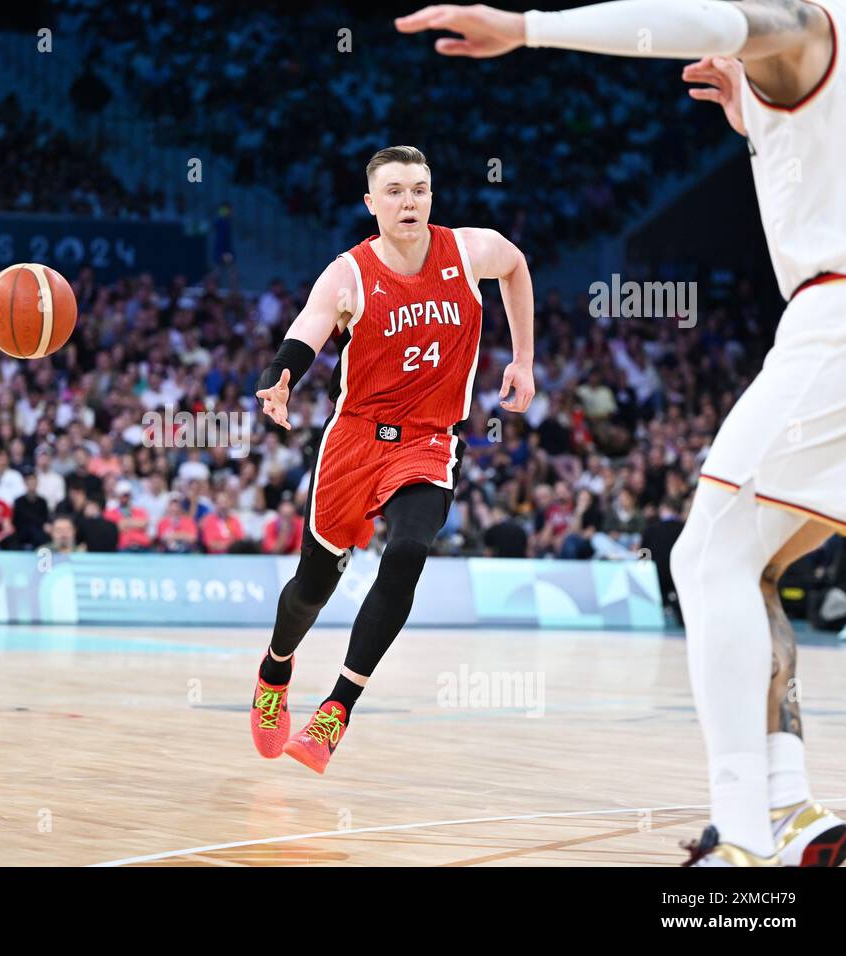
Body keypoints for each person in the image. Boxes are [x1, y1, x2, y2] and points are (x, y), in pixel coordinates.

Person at [398, 0, 846, 867]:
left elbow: (709, 26)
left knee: (704, 558)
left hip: (836, 318)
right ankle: (791, 809)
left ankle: (742, 846)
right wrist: (755, 110)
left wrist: (527, 27)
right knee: (750, 564)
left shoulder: (808, 22)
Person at [251, 146, 535, 774]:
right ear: (371, 203)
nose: (409, 202)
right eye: (396, 191)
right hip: (354, 438)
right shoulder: (348, 273)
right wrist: (280, 377)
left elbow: (517, 268)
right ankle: (275, 670)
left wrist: (523, 358)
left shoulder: (469, 250)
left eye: (420, 189)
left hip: (430, 439)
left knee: (408, 550)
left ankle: (337, 708)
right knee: (312, 587)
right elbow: (309, 325)